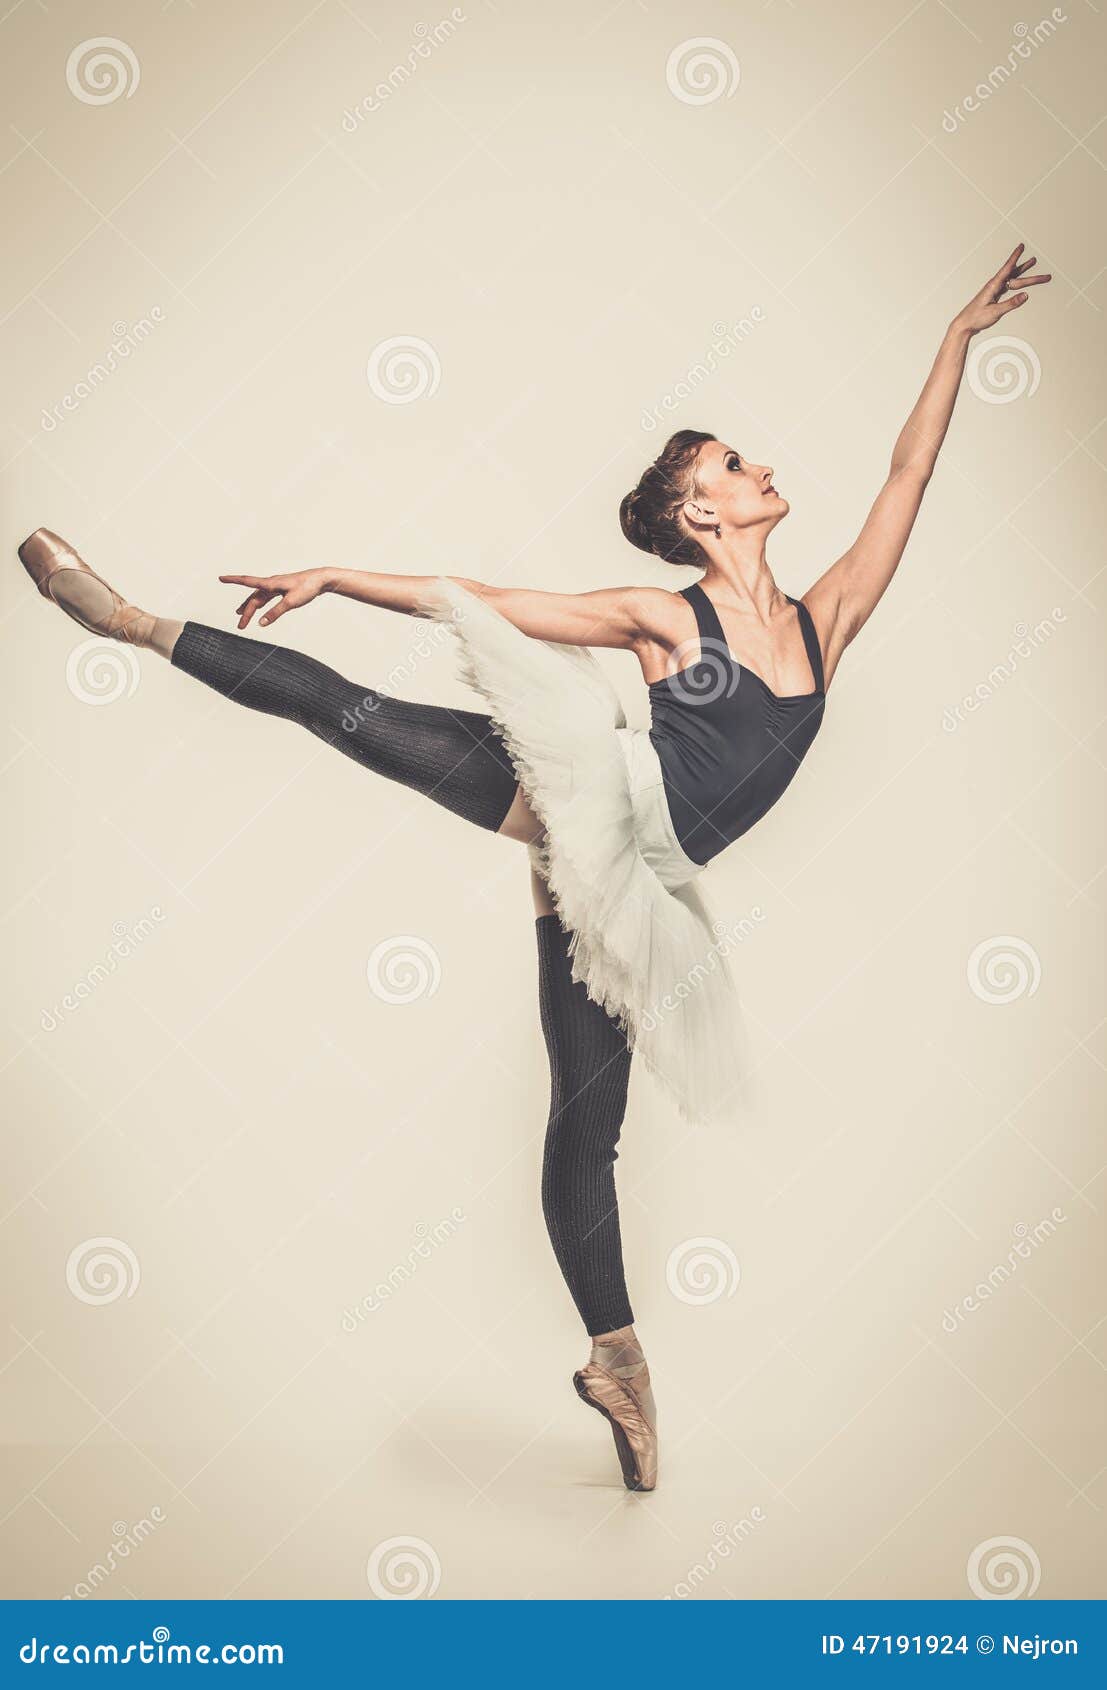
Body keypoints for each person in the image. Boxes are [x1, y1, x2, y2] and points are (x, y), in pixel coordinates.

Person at [17, 244, 1050, 1492]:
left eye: (741, 455)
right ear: (699, 515)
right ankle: (130, 619)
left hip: (640, 887)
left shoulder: (828, 621)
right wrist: (338, 571)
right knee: (355, 717)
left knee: (585, 1119)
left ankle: (617, 1362)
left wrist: (955, 335)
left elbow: (910, 472)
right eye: (731, 463)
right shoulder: (670, 616)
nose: (759, 466)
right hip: (596, 794)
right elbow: (493, 599)